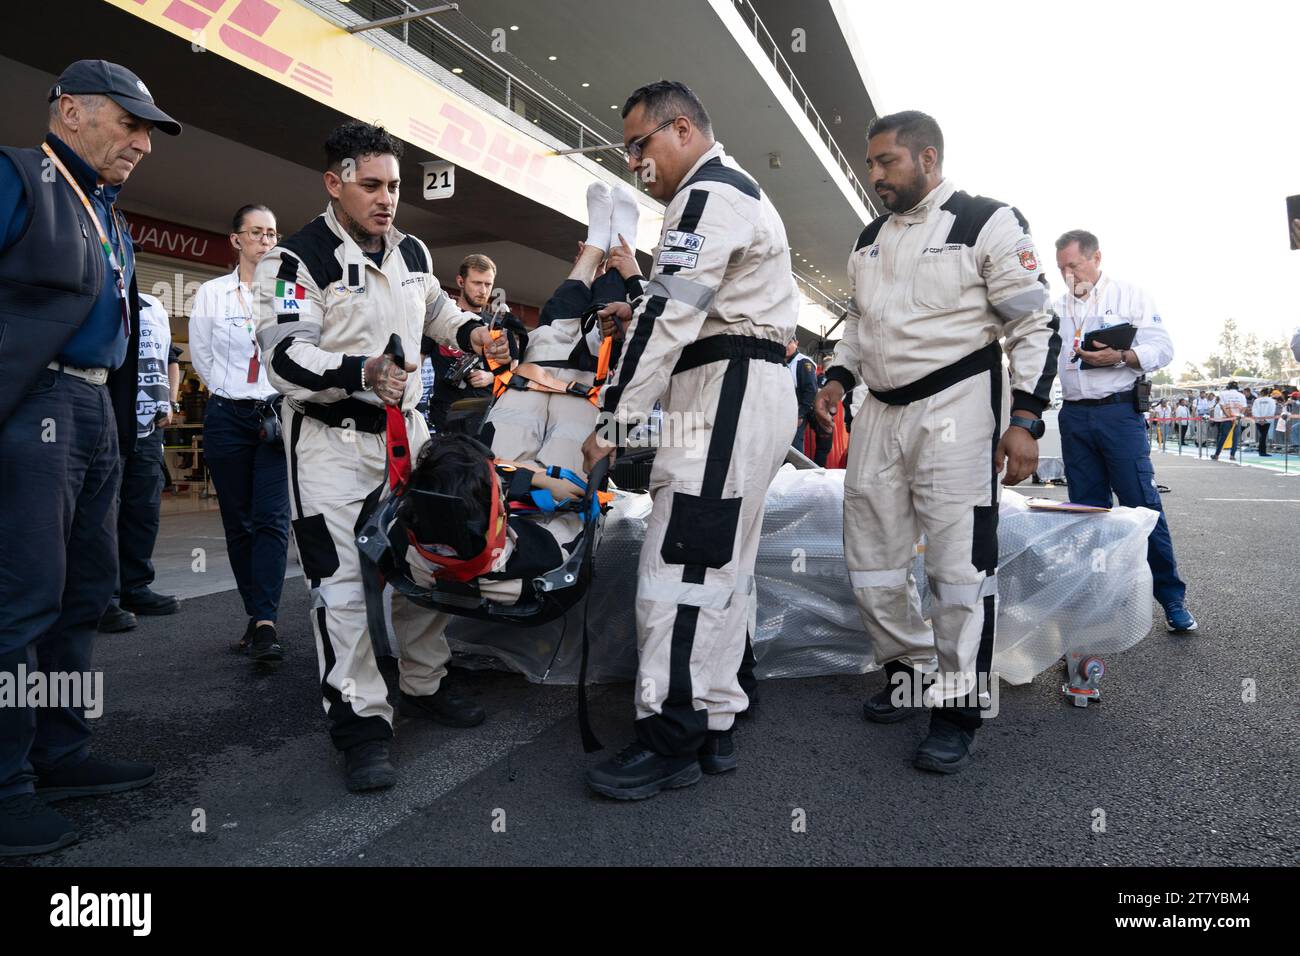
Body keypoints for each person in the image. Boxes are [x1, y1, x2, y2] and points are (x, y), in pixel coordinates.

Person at [251, 121, 510, 793]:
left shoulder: (414, 250)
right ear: (334, 183)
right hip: (328, 447)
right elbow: (282, 356)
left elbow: (438, 315)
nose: (386, 198)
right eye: (371, 185)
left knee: (431, 560)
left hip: (411, 438)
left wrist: (477, 332)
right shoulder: (296, 258)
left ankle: (425, 681)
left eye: (393, 186)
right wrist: (359, 373)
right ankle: (361, 722)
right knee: (338, 587)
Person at [812, 110, 1060, 774]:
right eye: (869, 164)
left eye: (885, 161)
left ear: (927, 159)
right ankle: (910, 672)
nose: (874, 175)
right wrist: (837, 378)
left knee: (957, 569)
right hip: (880, 415)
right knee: (871, 561)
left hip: (959, 410)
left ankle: (957, 708)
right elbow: (858, 325)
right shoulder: (867, 239)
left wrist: (1027, 418)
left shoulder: (987, 221)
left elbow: (1033, 322)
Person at [580, 80, 798, 799]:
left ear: (681, 129)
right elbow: (686, 307)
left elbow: (670, 318)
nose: (635, 163)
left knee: (680, 568)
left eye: (639, 145)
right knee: (719, 566)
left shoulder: (706, 195)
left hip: (724, 393)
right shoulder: (732, 192)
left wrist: (612, 422)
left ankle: (671, 736)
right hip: (739, 389)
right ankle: (715, 717)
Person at [0, 59, 180, 857]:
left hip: (97, 409)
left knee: (83, 595)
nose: (142, 142)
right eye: (129, 122)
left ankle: (60, 751)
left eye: (148, 130)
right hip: (33, 405)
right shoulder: (17, 178)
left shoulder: (107, 212)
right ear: (70, 112)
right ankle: (3, 789)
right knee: (22, 602)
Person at [1053, 230, 1196, 634]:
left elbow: (1163, 348)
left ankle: (1171, 597)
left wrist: (1123, 355)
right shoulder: (1055, 307)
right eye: (1061, 267)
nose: (1068, 274)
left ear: (1097, 257)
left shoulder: (1131, 295)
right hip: (1075, 417)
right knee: (1086, 511)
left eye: (1074, 265)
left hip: (1119, 414)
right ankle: (1095, 599)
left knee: (1142, 504)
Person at [189, 205, 292, 661]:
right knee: (239, 522)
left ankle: (267, 620)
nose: (266, 241)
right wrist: (234, 393)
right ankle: (256, 614)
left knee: (272, 518)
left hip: (277, 416)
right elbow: (202, 357)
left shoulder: (291, 292)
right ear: (236, 240)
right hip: (229, 416)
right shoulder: (212, 293)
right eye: (256, 233)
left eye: (271, 233)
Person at [99, 291, 182, 634]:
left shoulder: (154, 306)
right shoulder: (106, 294)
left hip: (150, 426)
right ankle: (104, 598)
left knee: (143, 509)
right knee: (104, 513)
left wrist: (172, 402)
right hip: (111, 418)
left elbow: (171, 358)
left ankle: (136, 587)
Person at [427, 254, 498, 432]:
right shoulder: (440, 319)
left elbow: (515, 370)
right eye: (476, 283)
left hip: (486, 416)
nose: (483, 290)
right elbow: (416, 360)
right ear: (460, 281)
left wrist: (492, 377)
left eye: (488, 284)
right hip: (447, 416)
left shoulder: (496, 325)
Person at [786, 335, 818, 453]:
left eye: (789, 342)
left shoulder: (802, 362)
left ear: (796, 343)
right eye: (783, 342)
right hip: (784, 411)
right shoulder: (781, 361)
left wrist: (800, 414)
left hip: (797, 412)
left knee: (794, 447)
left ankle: (797, 470)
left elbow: (811, 390)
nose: (786, 346)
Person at [1212, 381, 1247, 461]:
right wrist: (1239, 415)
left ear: (1228, 387)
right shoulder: (1241, 395)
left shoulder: (1223, 394)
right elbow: (1244, 407)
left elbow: (1222, 406)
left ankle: (1217, 455)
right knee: (1235, 437)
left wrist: (1228, 416)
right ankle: (1232, 455)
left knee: (1223, 436)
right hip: (1237, 418)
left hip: (1227, 418)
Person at [1251, 389, 1276, 456]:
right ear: (1268, 393)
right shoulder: (1272, 401)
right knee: (1263, 436)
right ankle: (1262, 452)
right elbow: (1272, 411)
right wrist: (1265, 420)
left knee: (1262, 435)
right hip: (1267, 420)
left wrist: (1259, 419)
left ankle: (1261, 450)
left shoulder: (1257, 400)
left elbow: (1254, 410)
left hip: (1258, 420)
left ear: (1261, 393)